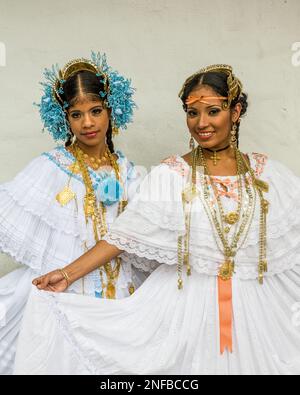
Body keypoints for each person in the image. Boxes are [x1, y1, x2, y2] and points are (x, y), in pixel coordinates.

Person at [14, 65, 300, 375]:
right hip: (188, 312)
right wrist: (68, 274)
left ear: (236, 111)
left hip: (257, 313)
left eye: (213, 111)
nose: (201, 123)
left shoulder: (270, 175)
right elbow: (124, 236)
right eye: (192, 113)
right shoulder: (170, 176)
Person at [0, 52, 153, 375]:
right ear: (64, 119)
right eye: (76, 114)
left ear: (112, 110)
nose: (87, 123)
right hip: (64, 289)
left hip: (120, 290)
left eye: (96, 111)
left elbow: (135, 237)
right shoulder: (51, 168)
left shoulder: (130, 174)